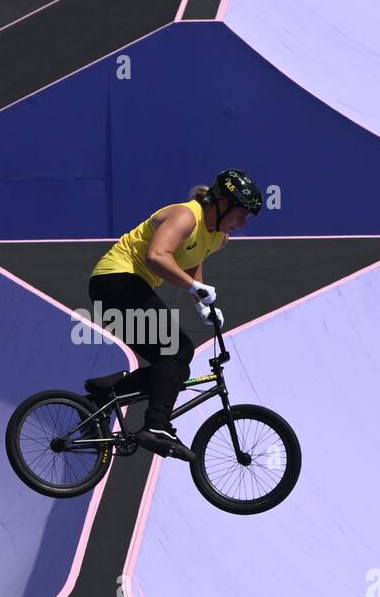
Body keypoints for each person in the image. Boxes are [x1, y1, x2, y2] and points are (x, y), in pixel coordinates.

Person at [85, 170, 263, 461]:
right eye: (241, 214)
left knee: (174, 367)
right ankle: (155, 426)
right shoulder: (186, 216)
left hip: (126, 286)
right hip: (115, 279)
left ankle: (104, 394)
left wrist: (201, 302)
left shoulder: (219, 237)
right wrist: (195, 286)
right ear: (221, 204)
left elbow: (192, 260)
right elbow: (157, 256)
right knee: (177, 350)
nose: (243, 223)